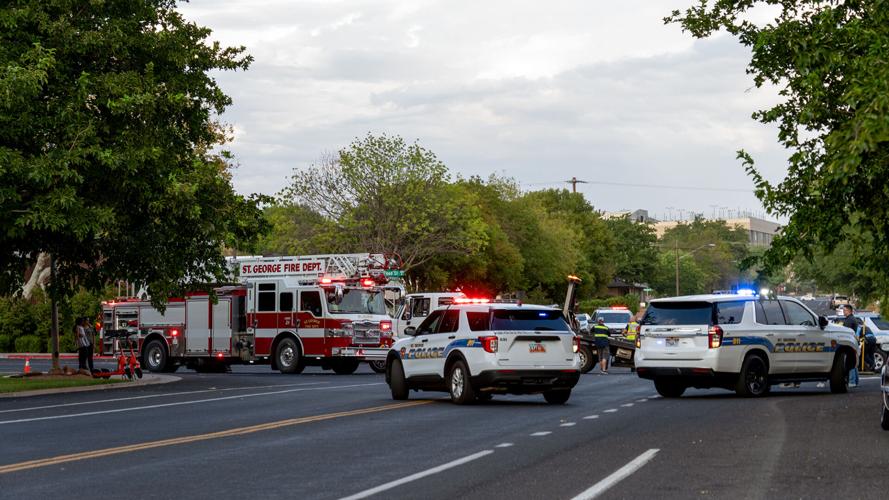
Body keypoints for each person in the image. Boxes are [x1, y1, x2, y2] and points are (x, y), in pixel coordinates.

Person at [841, 305, 859, 387]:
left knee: (850, 362)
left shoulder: (849, 320)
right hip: (853, 342)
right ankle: (855, 381)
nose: (843, 312)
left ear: (849, 311)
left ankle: (852, 381)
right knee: (854, 362)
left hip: (850, 343)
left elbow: (845, 331)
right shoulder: (852, 319)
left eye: (844, 310)